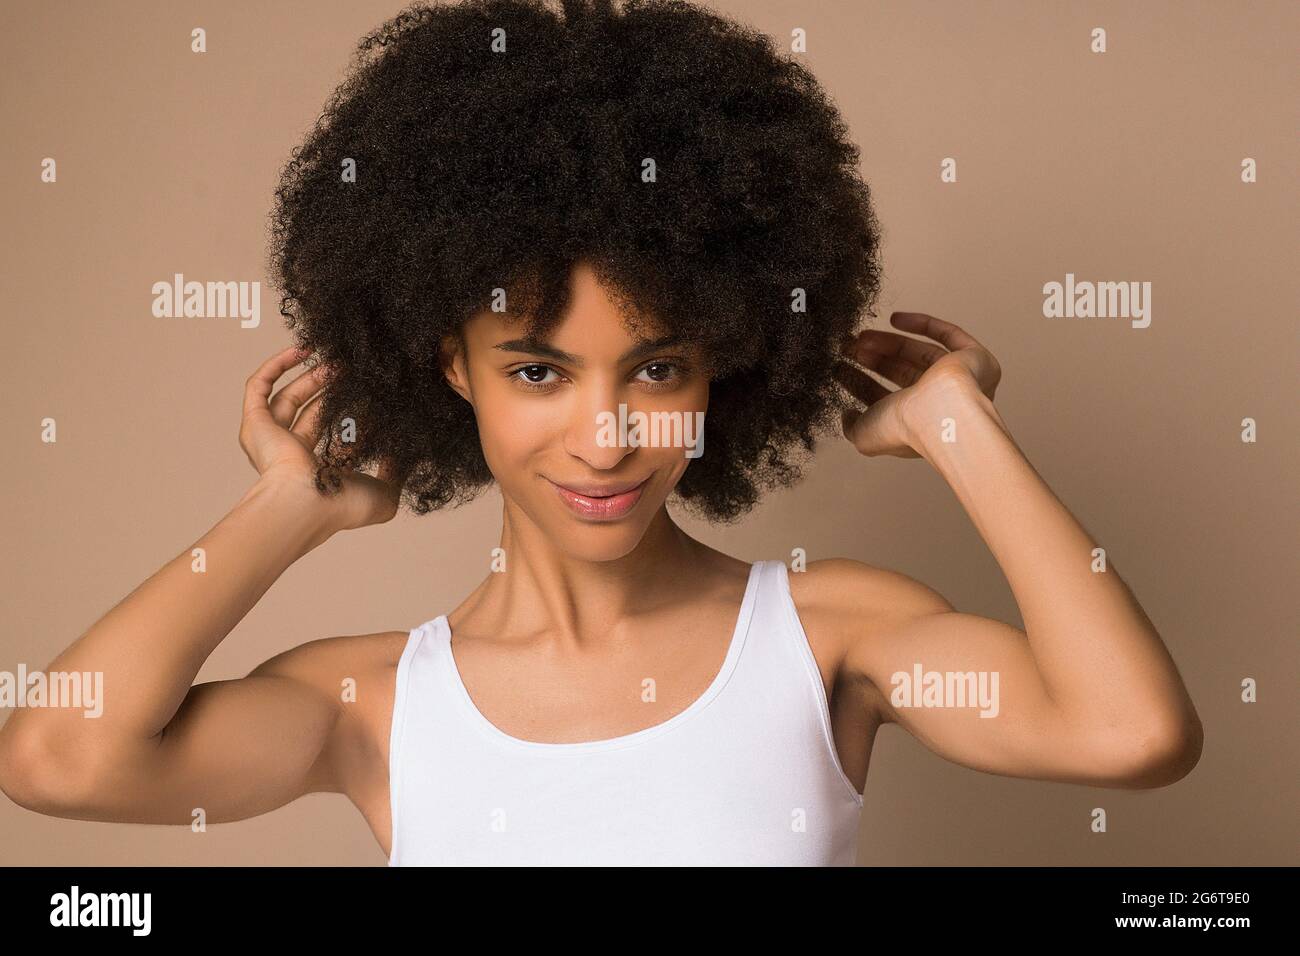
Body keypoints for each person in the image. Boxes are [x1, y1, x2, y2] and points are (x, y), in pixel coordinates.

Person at [0, 0, 1201, 866]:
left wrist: (954, 424)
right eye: (537, 368)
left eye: (658, 365)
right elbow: (56, 756)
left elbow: (1133, 733)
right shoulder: (375, 701)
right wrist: (291, 505)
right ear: (447, 364)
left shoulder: (830, 633)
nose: (608, 433)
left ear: (725, 360)